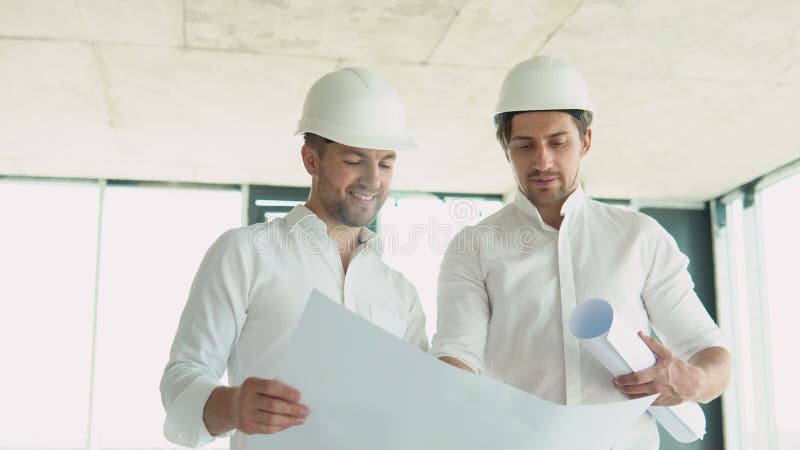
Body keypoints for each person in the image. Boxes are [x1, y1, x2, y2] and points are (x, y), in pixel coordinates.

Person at [430, 55, 731, 449]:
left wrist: (697, 380)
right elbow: (457, 354)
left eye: (558, 142)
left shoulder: (639, 237)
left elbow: (710, 350)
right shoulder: (473, 246)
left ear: (585, 141)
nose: (543, 161)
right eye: (524, 145)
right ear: (506, 149)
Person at [160, 67, 428, 449]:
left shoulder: (401, 293)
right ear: (311, 160)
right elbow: (182, 376)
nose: (373, 179)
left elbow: (421, 410)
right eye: (354, 160)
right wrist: (232, 406)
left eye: (385, 163)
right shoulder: (245, 254)